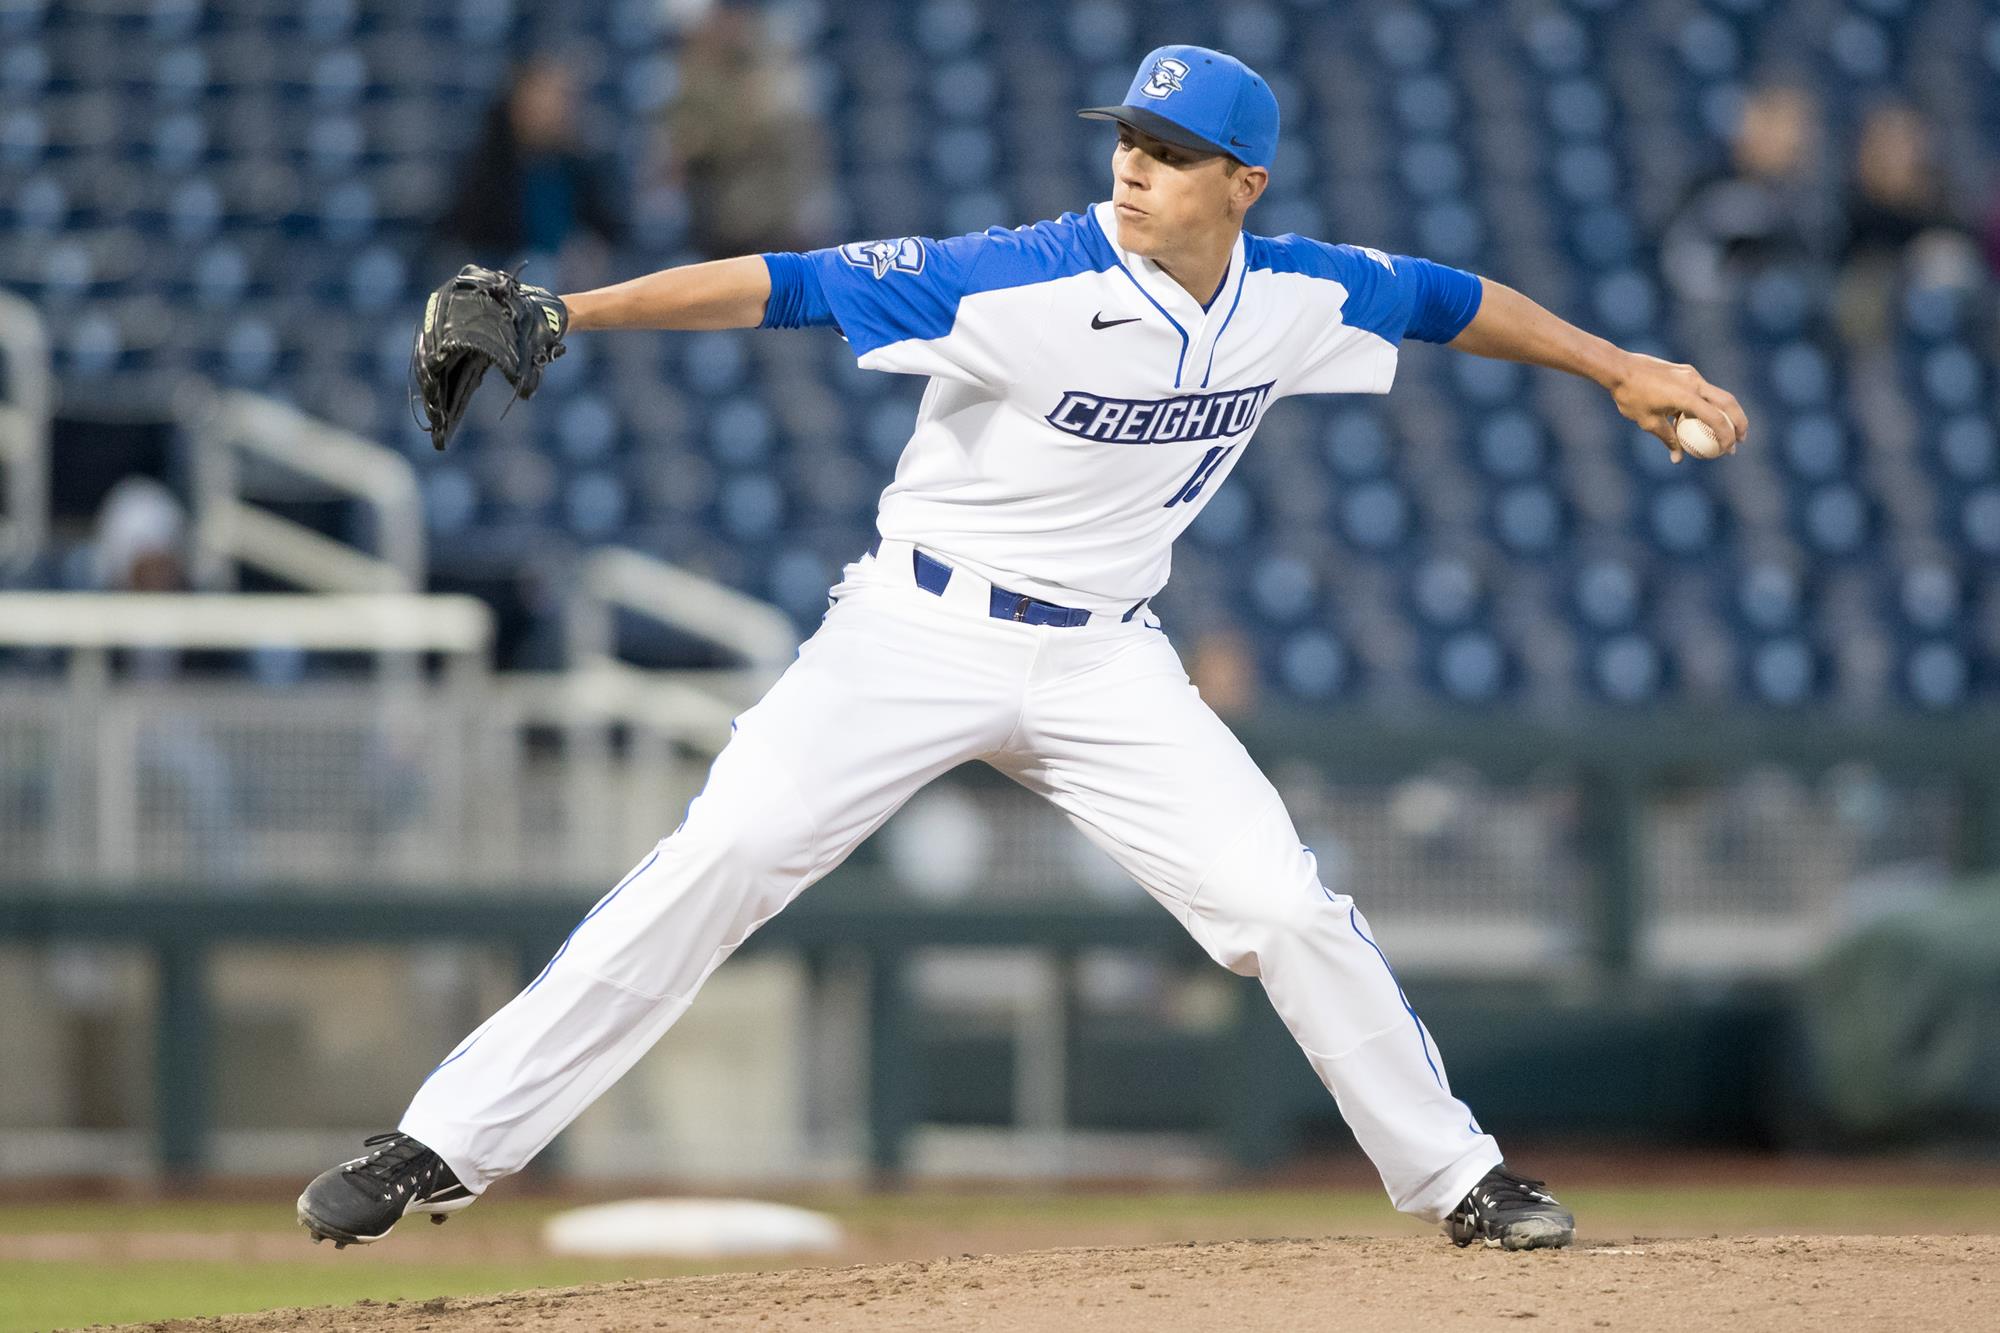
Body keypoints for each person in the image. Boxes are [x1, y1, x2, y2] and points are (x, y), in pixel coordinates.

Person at [299, 45, 1747, 1253]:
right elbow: (786, 281)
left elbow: (1452, 301)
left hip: (1108, 658)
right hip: (917, 625)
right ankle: (442, 1142)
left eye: (1172, 151)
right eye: (1128, 136)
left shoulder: (1296, 292)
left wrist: (1621, 364)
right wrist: (569, 308)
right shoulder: (1020, 276)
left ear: (1243, 187)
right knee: (729, 851)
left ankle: (1463, 1179)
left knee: (1284, 908)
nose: (1134, 164)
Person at [439, 57, 623, 270]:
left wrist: (593, 253)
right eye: (552, 97)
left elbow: (609, 237)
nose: (564, 109)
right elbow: (461, 245)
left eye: (569, 99)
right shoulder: (484, 171)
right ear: (520, 103)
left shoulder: (584, 169)